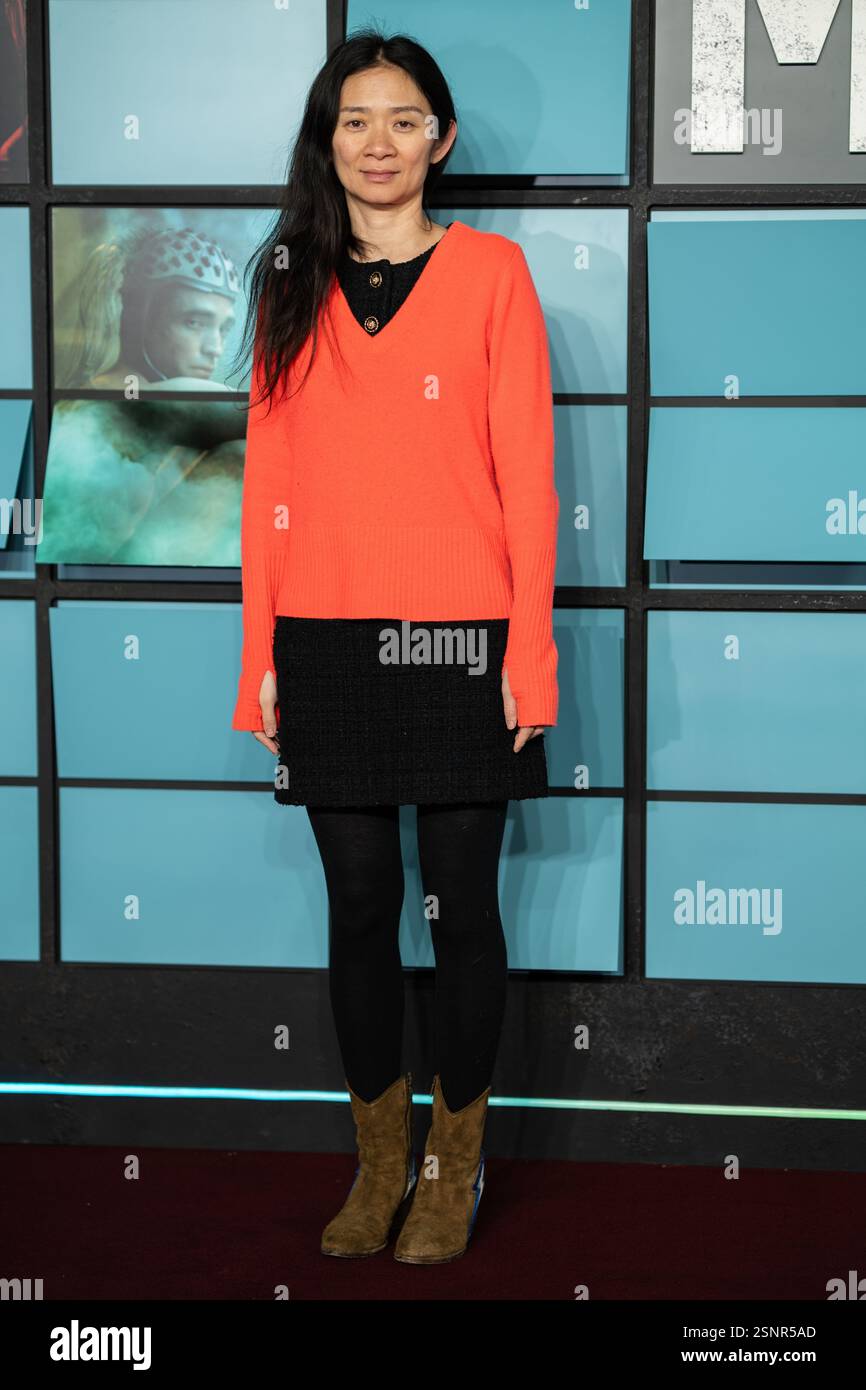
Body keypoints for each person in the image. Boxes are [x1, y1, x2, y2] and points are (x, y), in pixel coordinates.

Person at [231, 27, 559, 1265]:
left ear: (443, 139)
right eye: (355, 120)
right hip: (321, 634)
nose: (379, 142)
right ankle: (375, 1168)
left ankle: (449, 1175)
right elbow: (266, 482)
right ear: (328, 139)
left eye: (404, 119)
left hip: (465, 636)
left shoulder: (491, 279)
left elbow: (526, 482)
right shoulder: (287, 281)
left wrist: (528, 652)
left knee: (462, 907)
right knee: (361, 905)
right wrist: (258, 650)